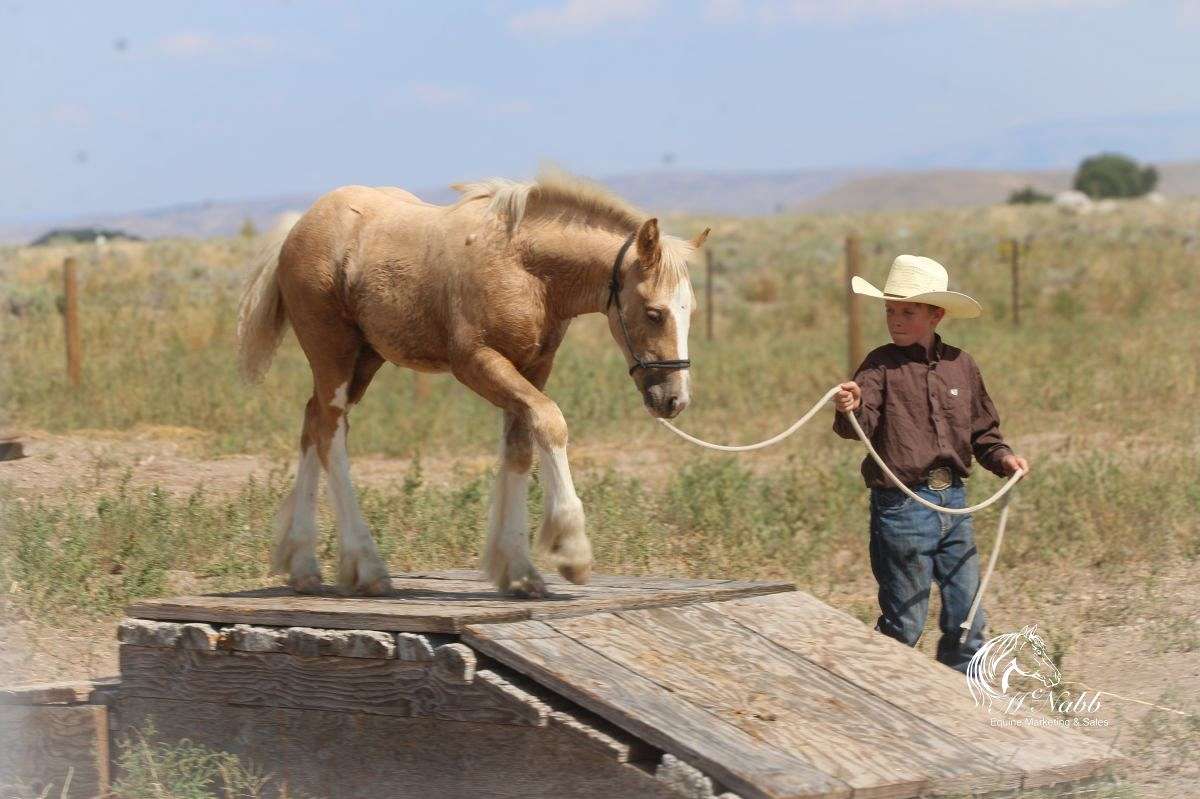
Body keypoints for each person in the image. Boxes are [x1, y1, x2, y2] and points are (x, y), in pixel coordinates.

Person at [832, 254, 1029, 673]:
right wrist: (850, 406)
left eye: (908, 311)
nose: (896, 320)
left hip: (954, 503)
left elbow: (982, 433)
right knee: (905, 622)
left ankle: (958, 701)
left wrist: (1004, 459)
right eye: (890, 310)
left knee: (968, 616)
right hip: (902, 508)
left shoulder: (962, 365)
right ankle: (883, 695)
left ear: (936, 314)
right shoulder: (879, 365)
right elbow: (858, 428)